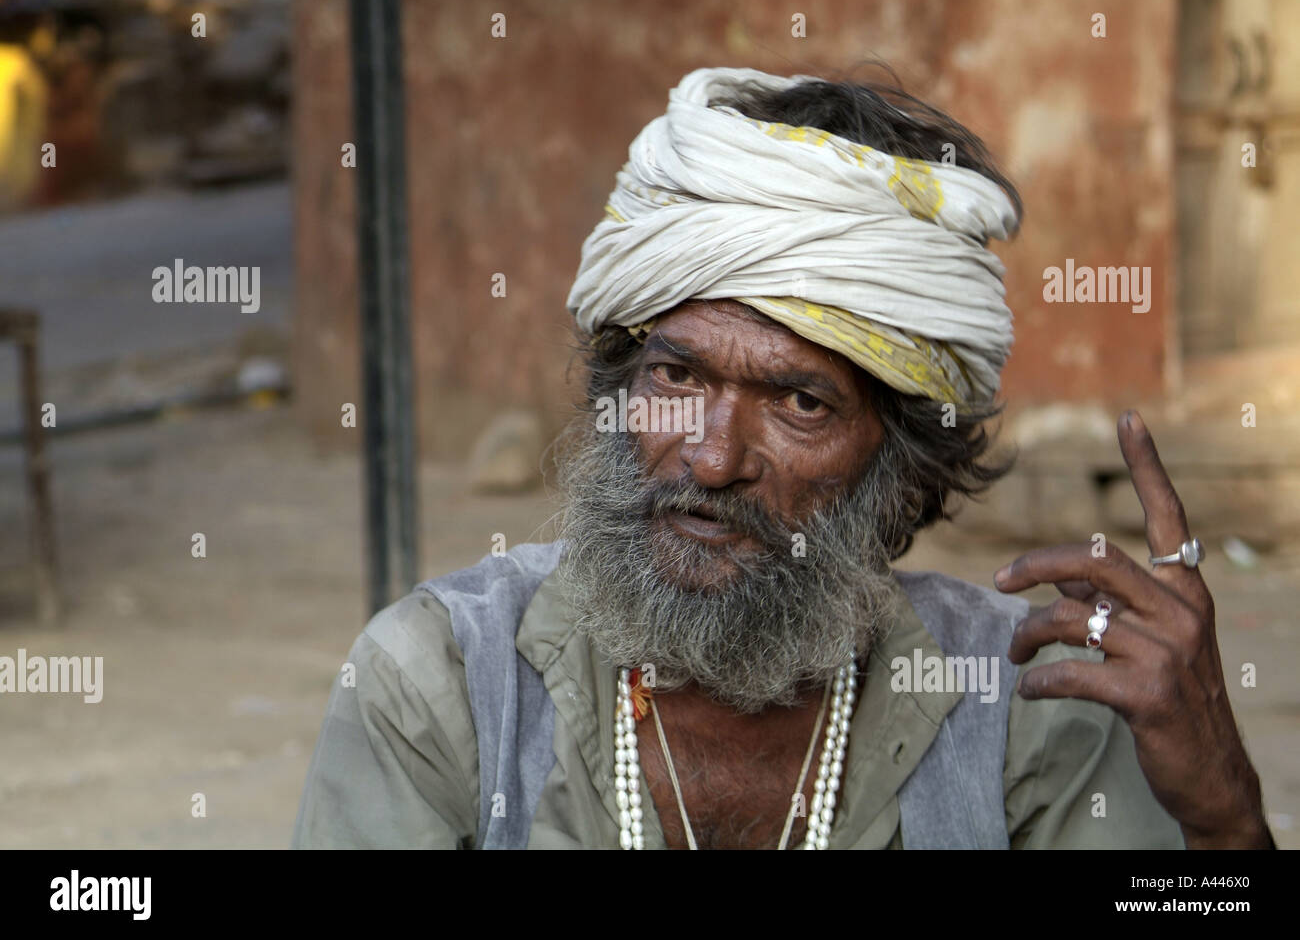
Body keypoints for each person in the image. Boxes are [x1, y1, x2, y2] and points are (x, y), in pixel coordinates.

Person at [292, 66, 1272, 849]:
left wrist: (1223, 823)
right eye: (676, 376)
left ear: (904, 461)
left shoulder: (1031, 711)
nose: (712, 458)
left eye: (801, 401)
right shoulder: (440, 687)